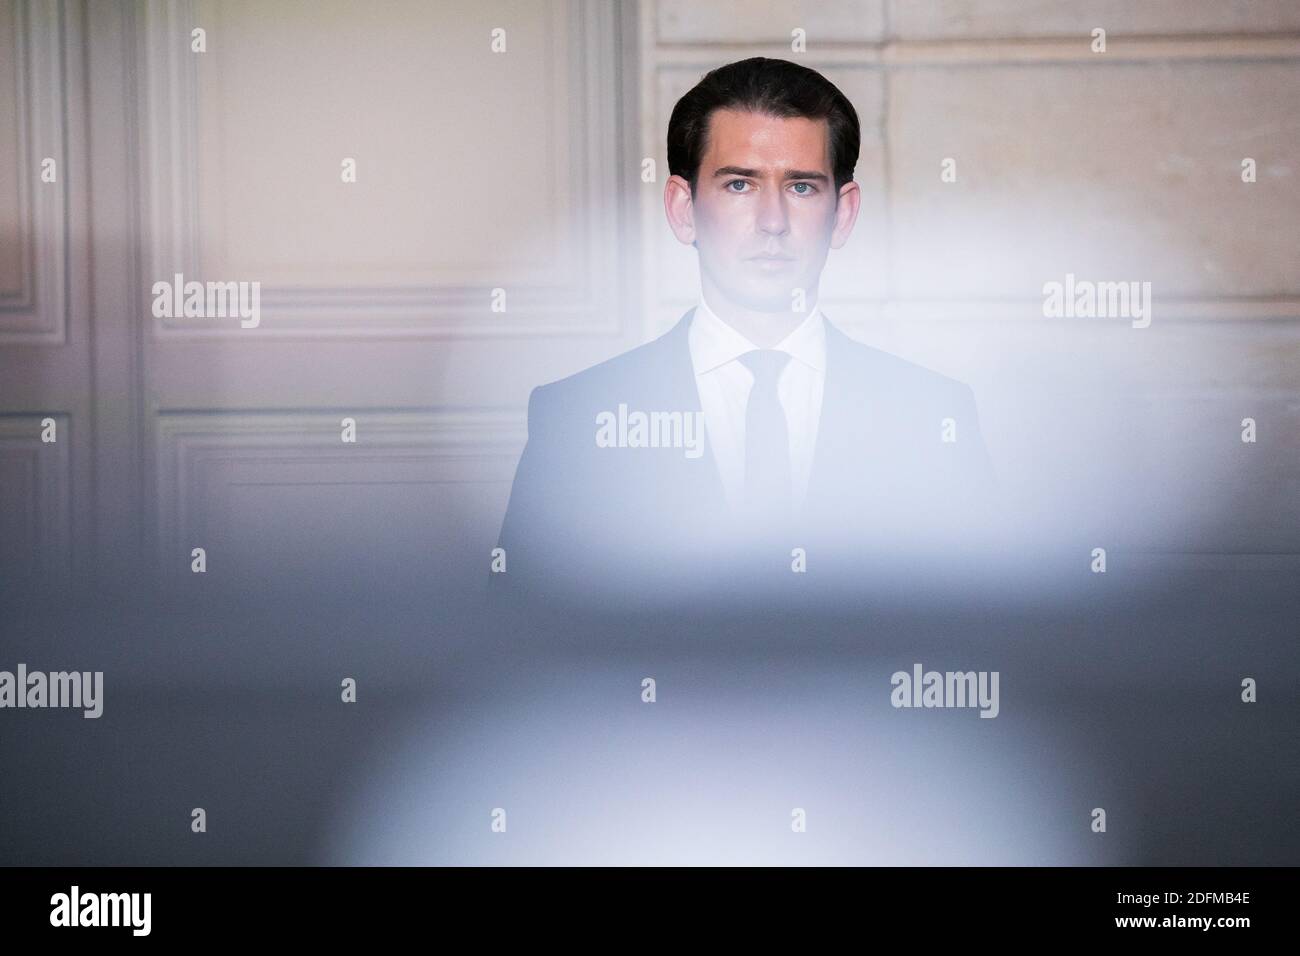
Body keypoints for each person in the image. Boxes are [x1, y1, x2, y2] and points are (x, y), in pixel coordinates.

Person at [492, 58, 997, 613]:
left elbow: (983, 629)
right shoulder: (577, 420)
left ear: (843, 214)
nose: (772, 221)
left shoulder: (932, 416)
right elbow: (522, 636)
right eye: (739, 184)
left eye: (801, 187)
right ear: (683, 209)